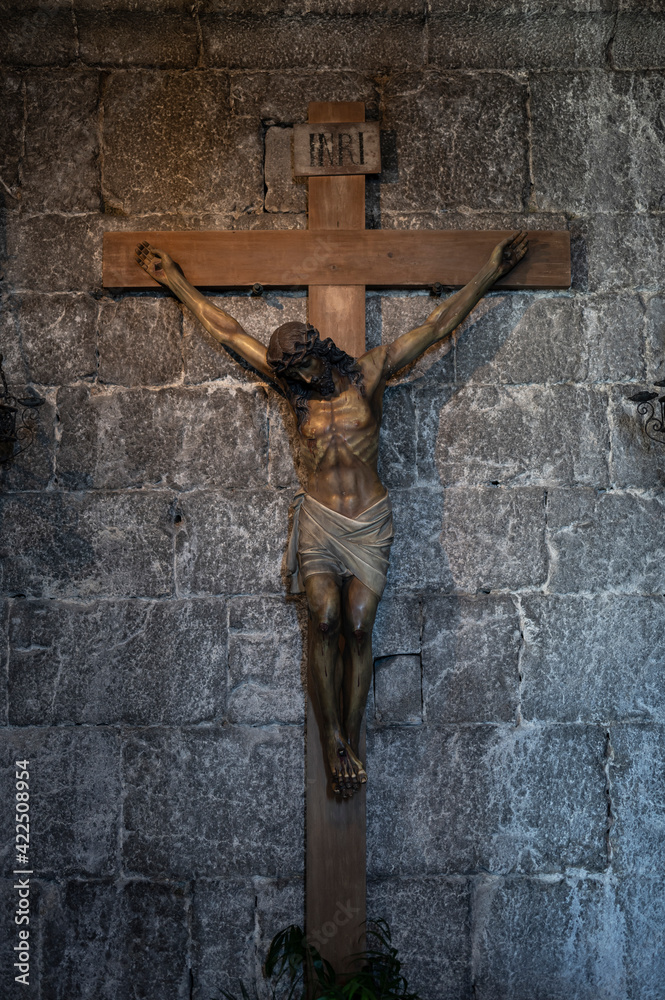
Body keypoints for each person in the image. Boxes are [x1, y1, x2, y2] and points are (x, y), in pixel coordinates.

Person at [135, 230, 528, 797]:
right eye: (286, 374)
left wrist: (490, 271)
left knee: (360, 626)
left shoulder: (369, 375)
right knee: (323, 620)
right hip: (320, 519)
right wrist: (172, 278)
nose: (294, 380)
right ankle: (333, 740)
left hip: (367, 520)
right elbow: (228, 331)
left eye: (297, 368)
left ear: (314, 354)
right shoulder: (293, 388)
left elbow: (437, 326)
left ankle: (353, 728)